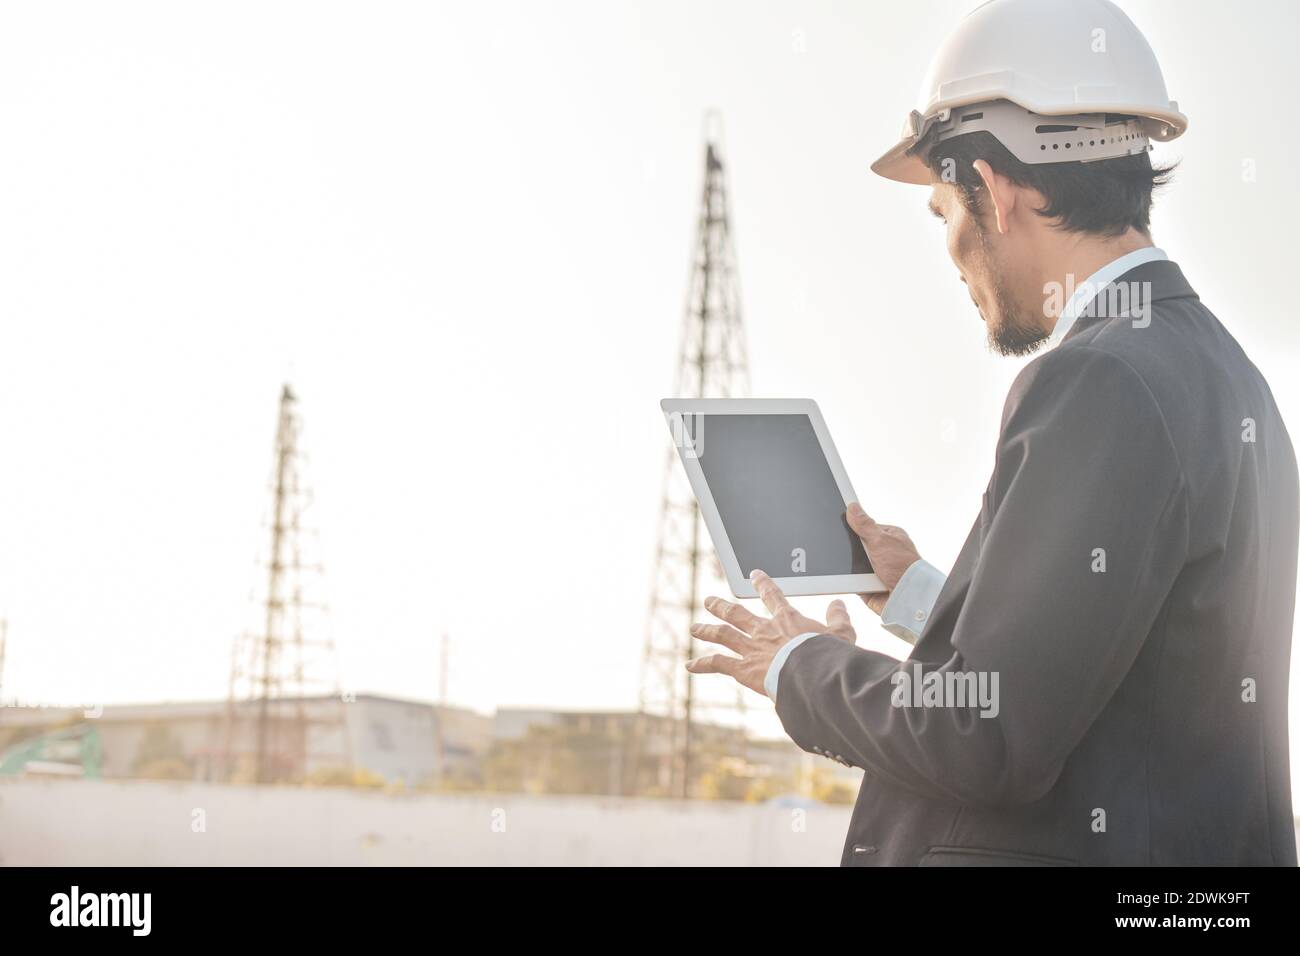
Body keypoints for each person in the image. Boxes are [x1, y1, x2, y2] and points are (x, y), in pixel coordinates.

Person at [685, 0, 1298, 866]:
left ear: (996, 188)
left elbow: (984, 733)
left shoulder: (1098, 378)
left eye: (943, 212)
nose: (951, 247)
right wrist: (921, 596)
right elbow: (1114, 669)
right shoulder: (1230, 379)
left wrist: (800, 667)